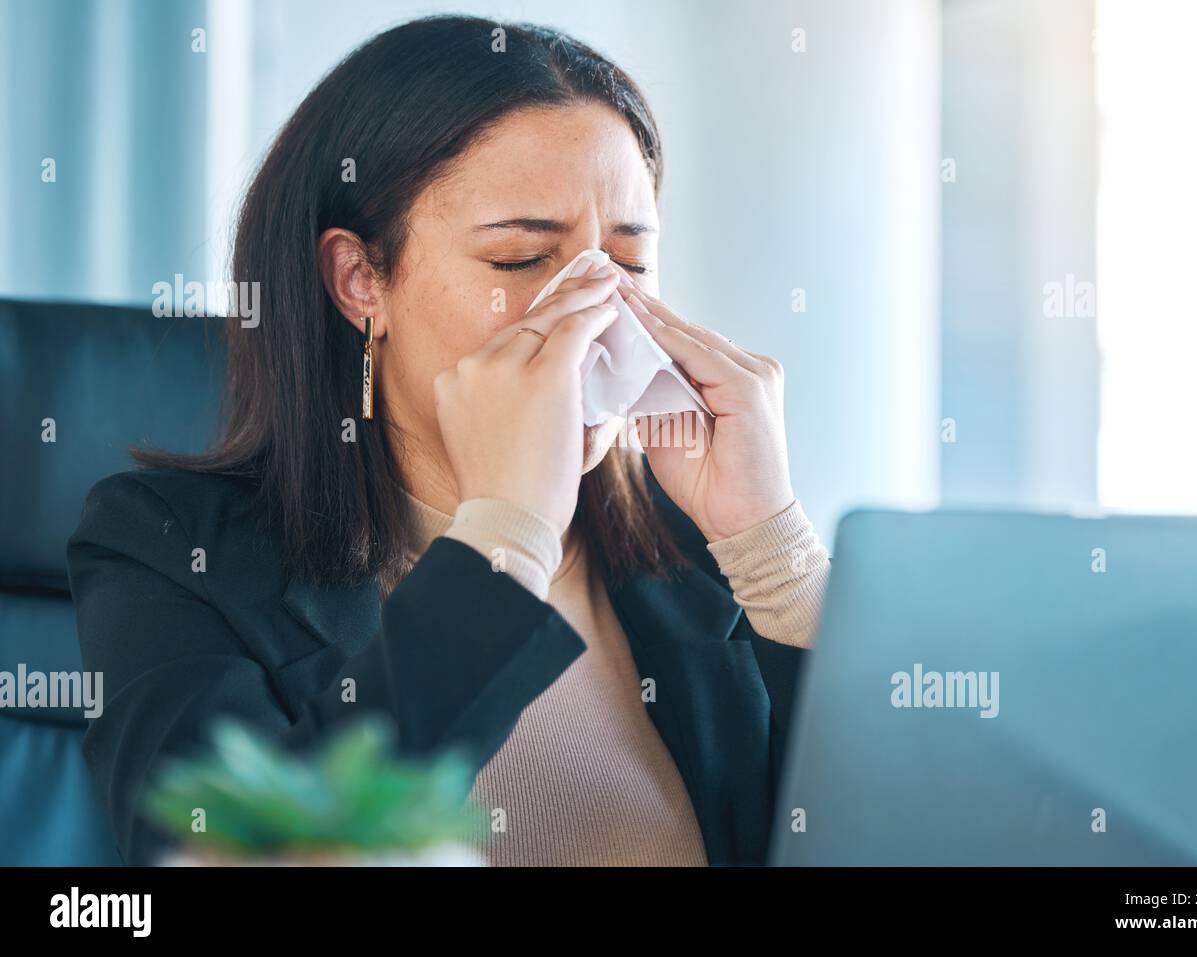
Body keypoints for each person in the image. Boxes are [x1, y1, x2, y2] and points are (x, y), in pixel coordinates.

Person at [67, 14, 830, 867]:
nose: (597, 319)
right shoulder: (166, 550)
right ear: (361, 282)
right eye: (520, 262)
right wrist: (504, 539)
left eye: (629, 267)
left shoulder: (697, 544)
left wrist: (779, 558)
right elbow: (236, 854)